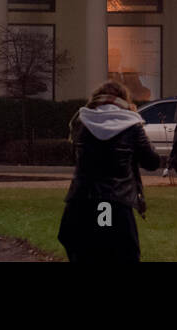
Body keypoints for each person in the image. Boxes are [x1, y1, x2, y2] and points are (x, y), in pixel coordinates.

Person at [58, 80, 159, 262]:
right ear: (123, 101)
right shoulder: (131, 125)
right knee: (119, 252)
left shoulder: (81, 121)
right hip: (114, 203)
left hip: (81, 202)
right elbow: (152, 162)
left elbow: (75, 155)